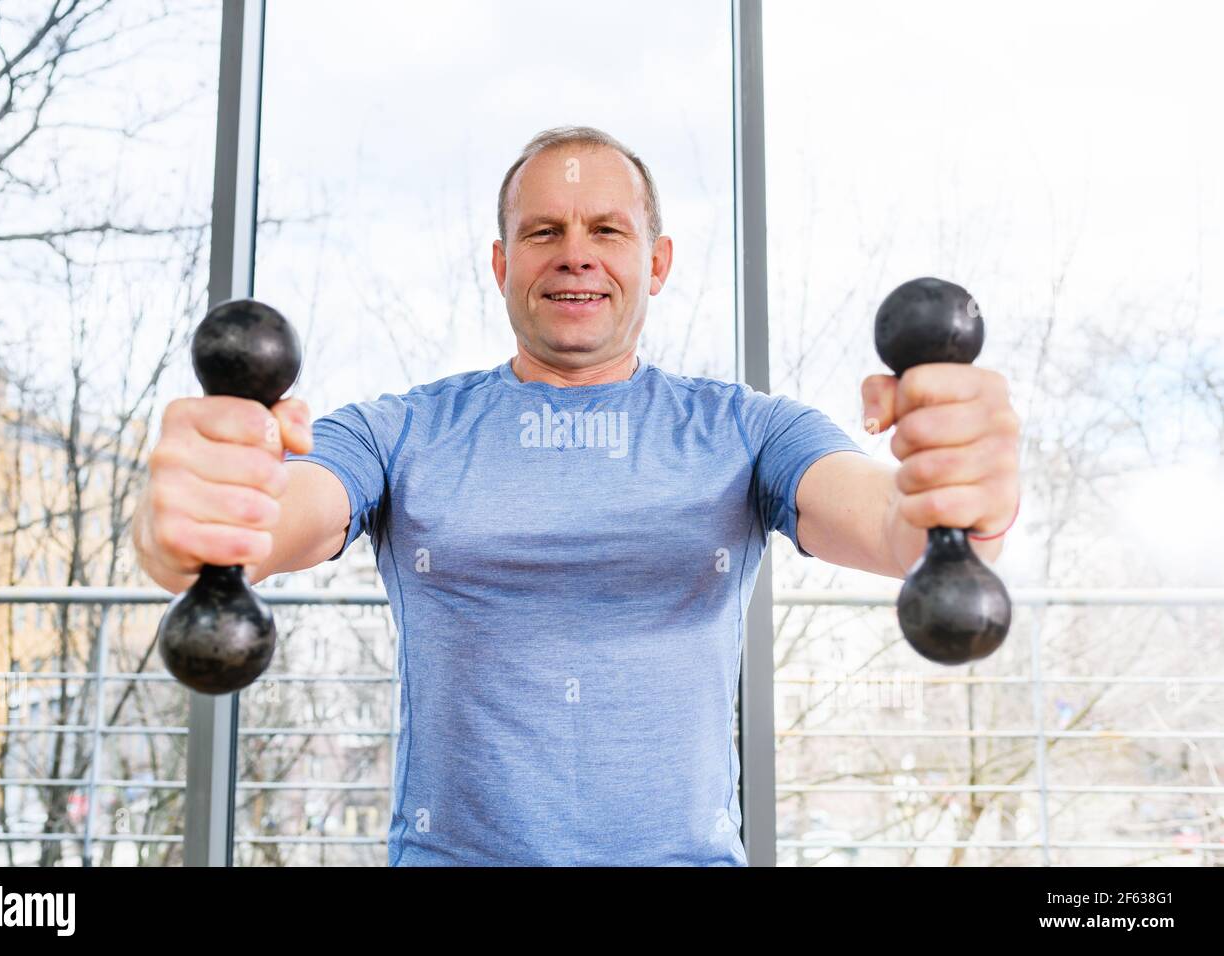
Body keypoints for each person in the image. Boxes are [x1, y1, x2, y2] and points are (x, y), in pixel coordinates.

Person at [133, 126, 1021, 866]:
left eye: (608, 229)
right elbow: (283, 510)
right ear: (500, 260)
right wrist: (205, 519)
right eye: (544, 231)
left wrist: (946, 501)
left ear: (658, 260)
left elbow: (885, 522)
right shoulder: (398, 430)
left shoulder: (748, 431)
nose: (576, 256)